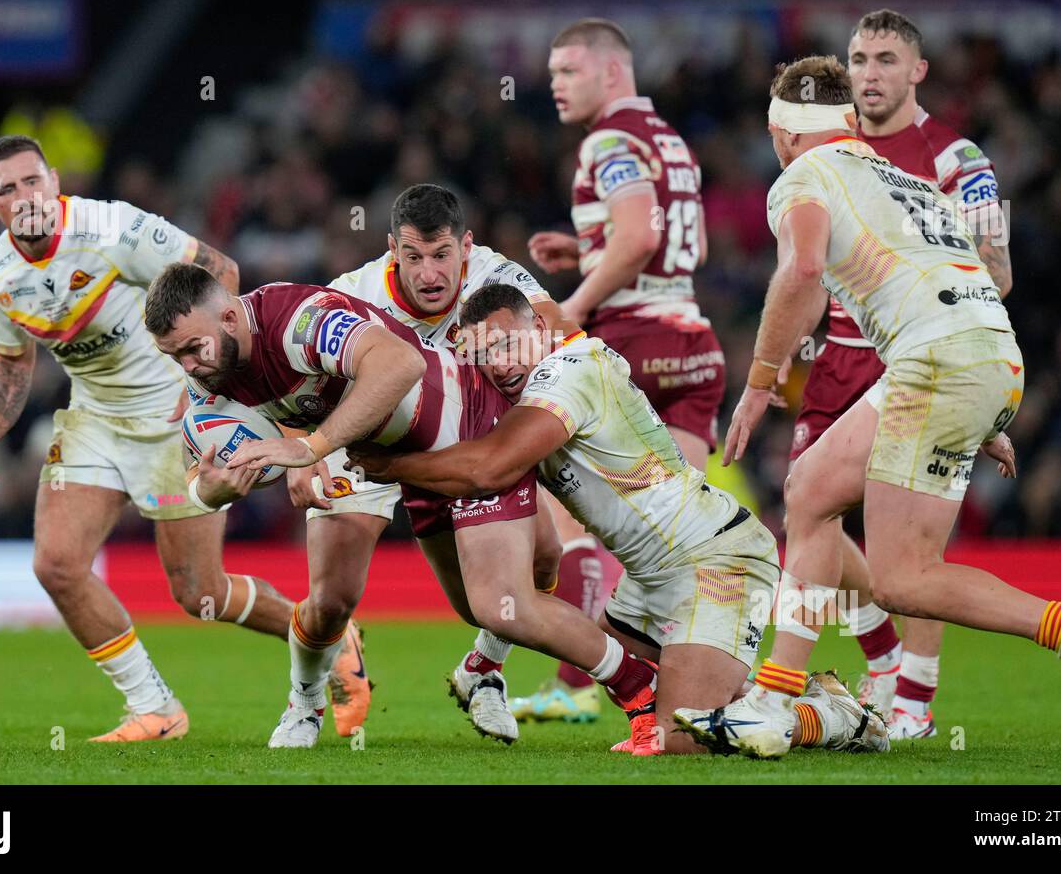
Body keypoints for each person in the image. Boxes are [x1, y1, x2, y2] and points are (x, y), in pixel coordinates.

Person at [675, 56, 1061, 758]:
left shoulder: (804, 175)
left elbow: (802, 271)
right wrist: (981, 406)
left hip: (941, 363)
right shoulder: (899, 177)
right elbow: (949, 283)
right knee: (811, 489)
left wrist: (761, 380)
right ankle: (776, 697)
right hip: (983, 356)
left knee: (900, 577)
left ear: (782, 132)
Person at [350, 283, 888, 756]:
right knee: (602, 655)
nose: (501, 362)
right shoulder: (541, 385)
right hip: (652, 577)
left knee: (679, 739)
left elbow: (490, 467)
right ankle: (783, 700)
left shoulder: (570, 372)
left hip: (714, 561)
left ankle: (839, 719)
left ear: (539, 328)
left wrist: (390, 466)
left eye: (509, 342)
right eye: (486, 353)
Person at [145, 266, 664, 752]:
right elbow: (198, 478)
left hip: (466, 428)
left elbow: (401, 362)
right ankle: (305, 705)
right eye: (176, 356)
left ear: (230, 317)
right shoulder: (209, 370)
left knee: (512, 598)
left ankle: (639, 688)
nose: (189, 365)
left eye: (193, 348)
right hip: (387, 457)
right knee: (341, 603)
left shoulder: (299, 322)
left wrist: (309, 448)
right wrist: (216, 491)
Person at [0, 134, 291, 742]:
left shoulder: (113, 230)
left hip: (171, 418)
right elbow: (11, 364)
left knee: (198, 593)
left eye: (32, 181)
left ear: (54, 181)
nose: (24, 196)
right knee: (56, 565)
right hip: (94, 421)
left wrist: (211, 383)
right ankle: (155, 709)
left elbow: (221, 273)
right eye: (7, 189)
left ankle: (318, 631)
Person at [781, 8, 1016, 739]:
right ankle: (879, 657)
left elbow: (997, 270)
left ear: (918, 71)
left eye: (886, 59)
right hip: (839, 361)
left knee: (910, 547)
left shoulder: (955, 156)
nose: (868, 74)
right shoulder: (831, 149)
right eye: (857, 59)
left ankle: (912, 705)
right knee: (807, 510)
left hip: (921, 354)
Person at [276, 182, 575, 744]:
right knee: (331, 600)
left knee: (538, 565)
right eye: (413, 257)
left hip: (457, 444)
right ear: (392, 249)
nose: (429, 274)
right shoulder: (352, 293)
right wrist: (297, 448)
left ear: (466, 246)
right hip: (362, 441)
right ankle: (305, 701)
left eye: (442, 256)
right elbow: (286, 366)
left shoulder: (495, 276)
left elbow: (558, 332)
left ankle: (484, 670)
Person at [523, 17, 725, 719]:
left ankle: (576, 686)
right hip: (693, 345)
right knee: (684, 538)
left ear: (612, 72)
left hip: (630, 346)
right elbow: (662, 243)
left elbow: (637, 236)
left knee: (562, 507)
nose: (555, 87)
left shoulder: (606, 141)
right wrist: (583, 252)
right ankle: (709, 695)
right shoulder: (667, 138)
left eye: (568, 72)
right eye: (551, 75)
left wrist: (573, 302)